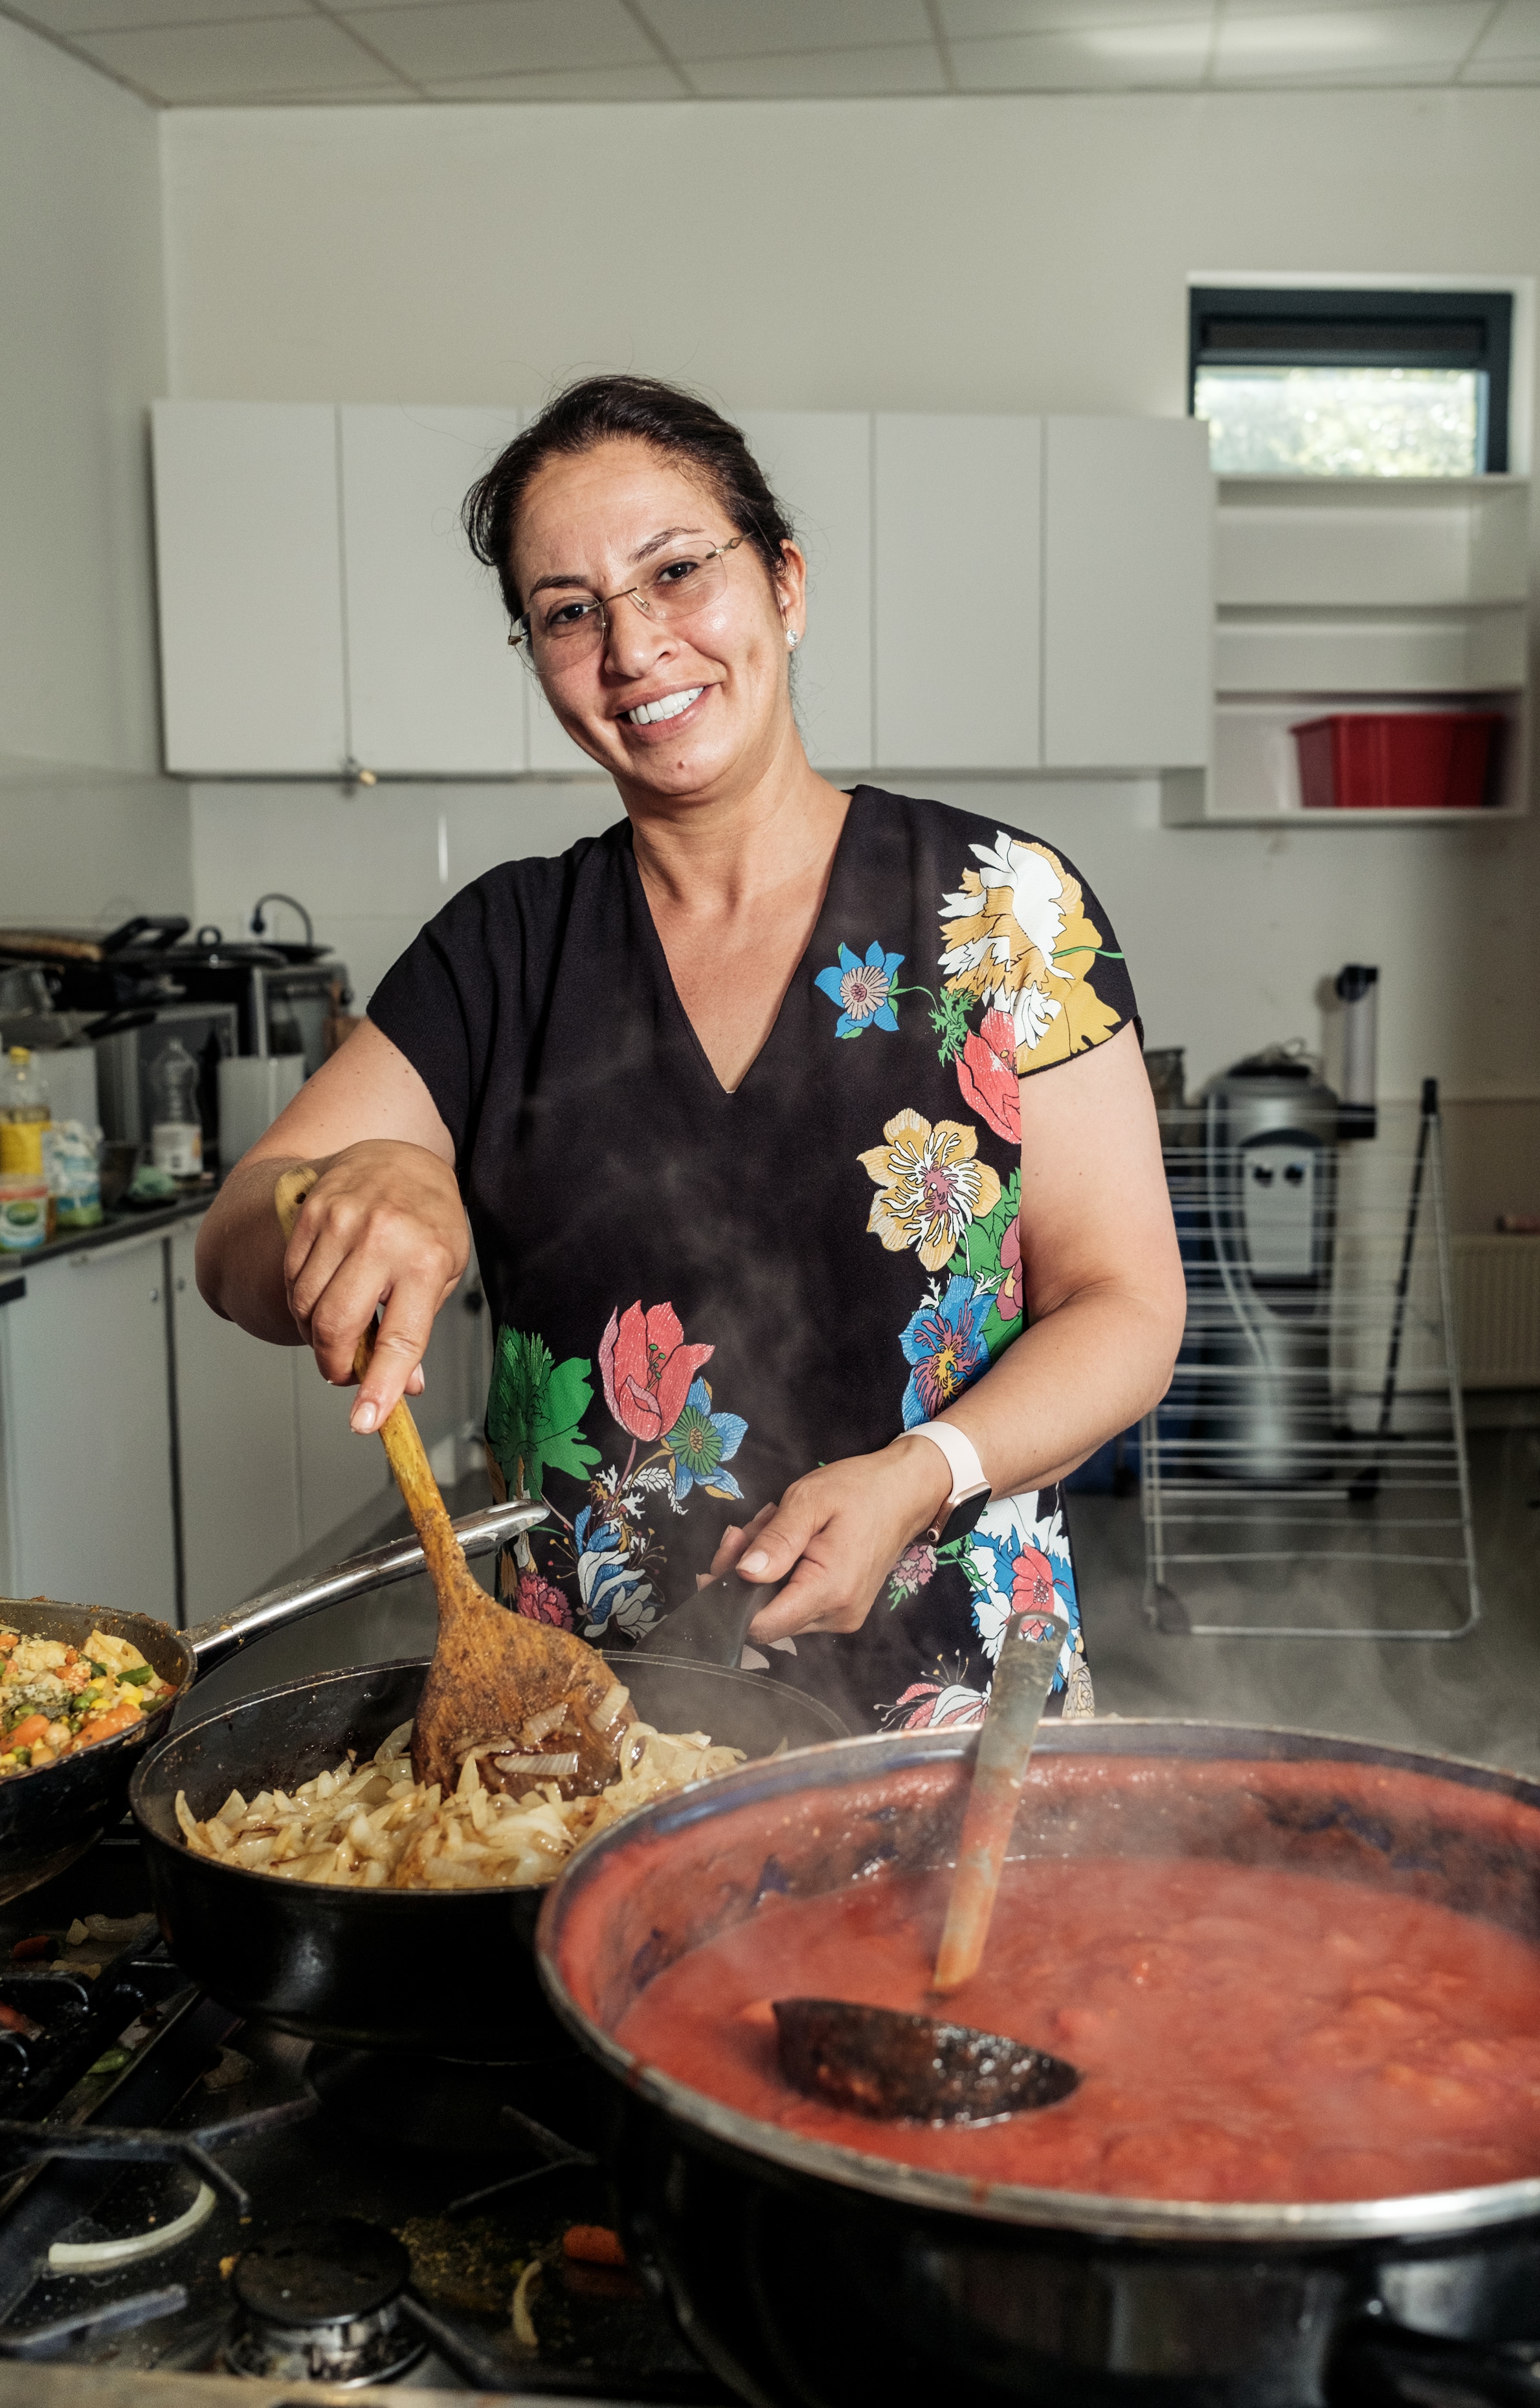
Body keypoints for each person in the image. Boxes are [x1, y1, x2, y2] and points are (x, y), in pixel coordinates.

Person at [197, 375, 1185, 1733]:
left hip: (952, 1713)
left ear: (783, 582)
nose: (634, 646)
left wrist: (921, 1470)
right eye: (568, 612)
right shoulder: (505, 949)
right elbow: (235, 1243)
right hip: (590, 1730)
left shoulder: (1005, 909)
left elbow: (1128, 1305)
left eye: (676, 572)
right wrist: (354, 1180)